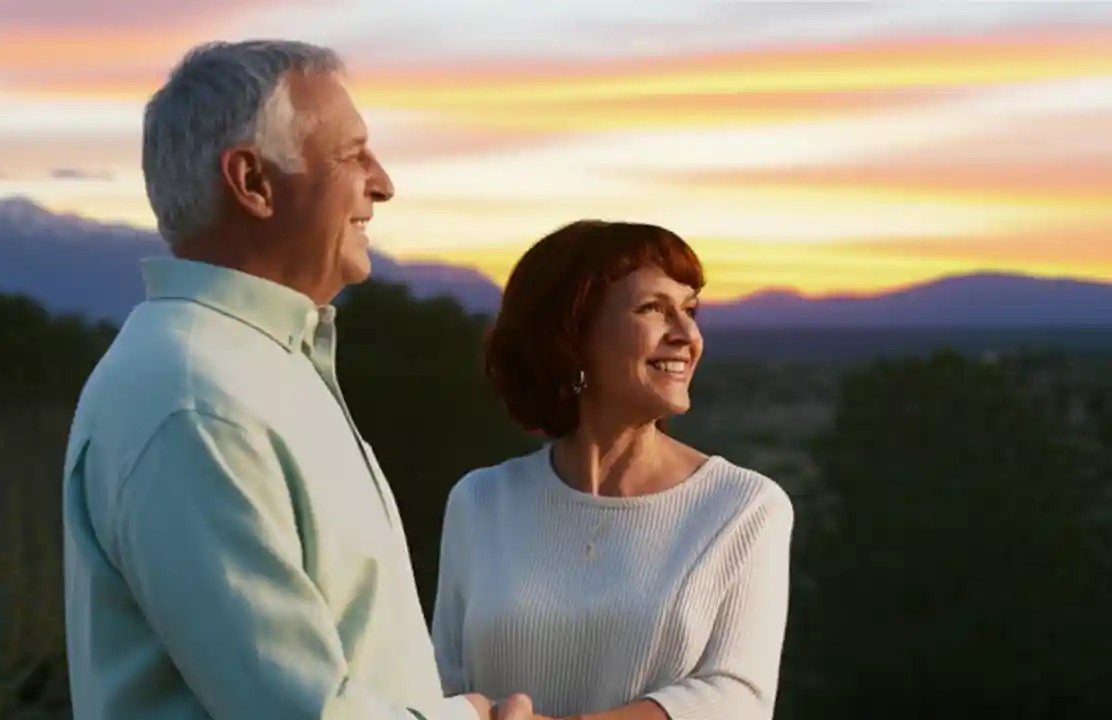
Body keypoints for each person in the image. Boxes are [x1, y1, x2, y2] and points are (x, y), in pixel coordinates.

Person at [61, 39, 530, 720]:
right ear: (252, 182)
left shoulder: (254, 369)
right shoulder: (197, 400)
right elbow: (296, 709)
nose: (383, 183)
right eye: (352, 155)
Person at [432, 221, 795, 720]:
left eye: (690, 311)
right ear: (572, 335)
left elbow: (736, 698)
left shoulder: (744, 507)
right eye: (653, 309)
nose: (687, 335)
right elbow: (441, 685)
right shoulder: (481, 500)